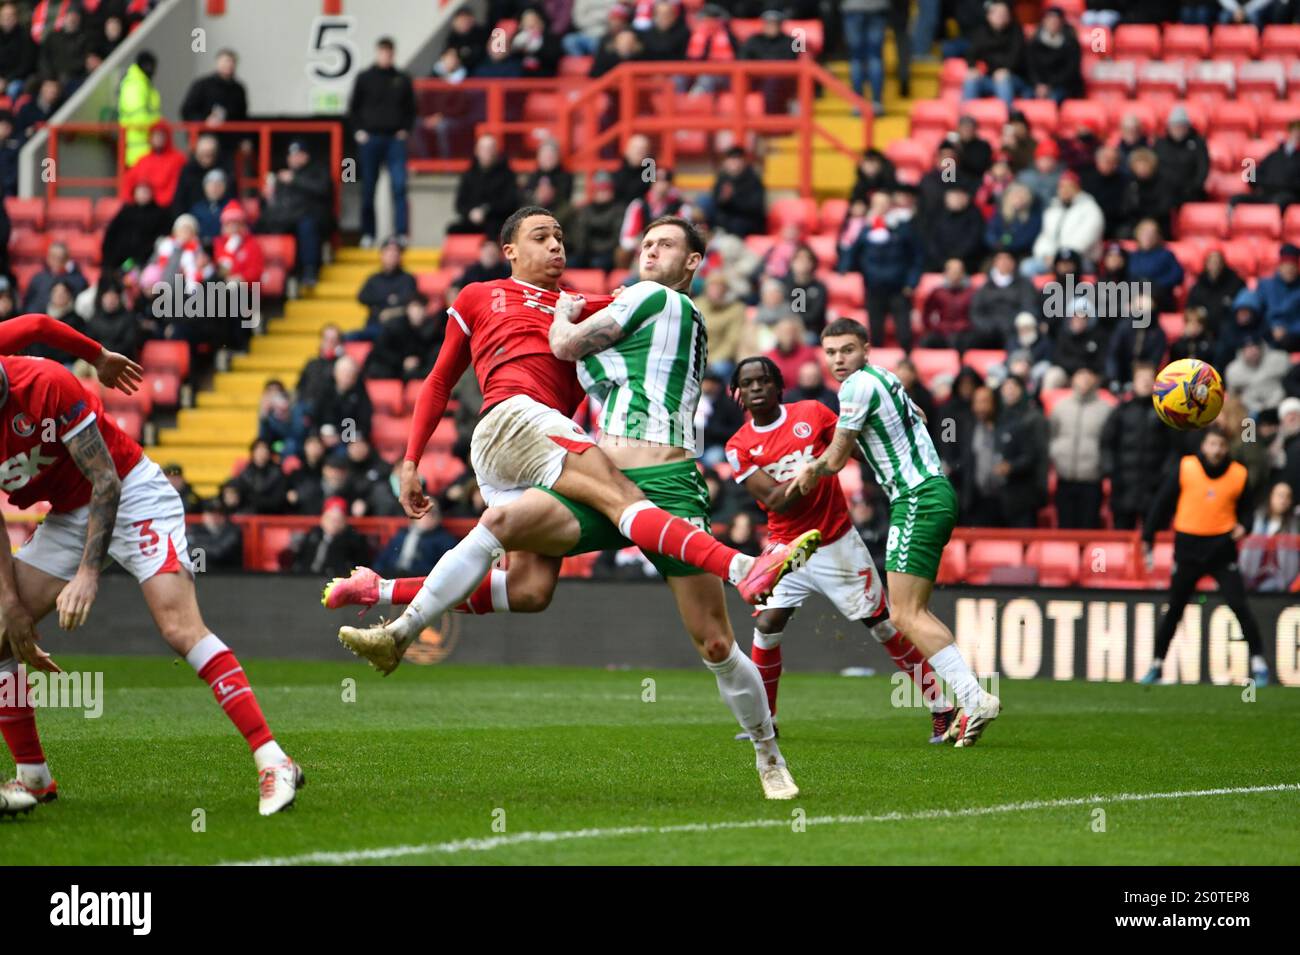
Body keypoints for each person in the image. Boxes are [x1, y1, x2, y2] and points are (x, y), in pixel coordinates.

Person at [330, 214, 818, 799]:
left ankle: (768, 756)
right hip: (590, 470)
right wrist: (411, 457)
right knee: (516, 555)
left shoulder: (647, 300)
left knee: (714, 642)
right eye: (646, 242)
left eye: (666, 244)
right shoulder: (530, 299)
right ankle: (391, 608)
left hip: (663, 479)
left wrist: (567, 312)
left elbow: (568, 336)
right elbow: (443, 376)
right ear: (509, 249)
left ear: (692, 263)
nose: (650, 250)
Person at [0, 321, 301, 818]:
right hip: (69, 513)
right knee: (0, 634)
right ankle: (33, 778)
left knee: (179, 627)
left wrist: (89, 574)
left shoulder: (47, 383)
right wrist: (12, 605)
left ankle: (274, 759)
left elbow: (105, 481)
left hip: (131, 492)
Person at [785, 318, 999, 745]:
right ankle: (971, 699)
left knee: (903, 615)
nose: (838, 360)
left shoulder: (856, 386)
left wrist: (812, 468)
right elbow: (910, 416)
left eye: (846, 350)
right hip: (931, 493)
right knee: (914, 611)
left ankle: (976, 699)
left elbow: (838, 455)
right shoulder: (884, 377)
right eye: (830, 353)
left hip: (916, 497)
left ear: (865, 348)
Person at [725, 356, 956, 741]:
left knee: (883, 625)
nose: (756, 388)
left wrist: (899, 416)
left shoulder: (813, 413)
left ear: (779, 386)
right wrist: (816, 468)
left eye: (763, 380)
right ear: (738, 394)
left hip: (835, 542)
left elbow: (857, 441)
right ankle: (765, 721)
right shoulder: (738, 446)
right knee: (766, 625)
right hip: (787, 548)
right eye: (747, 383)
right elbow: (775, 501)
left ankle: (942, 707)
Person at [1140, 427, 1271, 686]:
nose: (1217, 450)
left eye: (1222, 445)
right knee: (1175, 608)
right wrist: (1148, 536)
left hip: (1221, 549)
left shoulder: (1238, 474)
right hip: (1188, 548)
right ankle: (1156, 663)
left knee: (1239, 605)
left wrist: (1245, 527)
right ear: (1203, 445)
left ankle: (1259, 663)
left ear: (1227, 447)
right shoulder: (1186, 467)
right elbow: (1162, 503)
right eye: (1212, 444)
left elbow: (1248, 512)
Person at [348, 37, 415, 246]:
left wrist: (405, 129)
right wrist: (359, 131)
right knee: (368, 188)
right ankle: (368, 234)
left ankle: (401, 234)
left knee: (399, 187)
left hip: (395, 140)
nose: (386, 56)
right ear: (377, 53)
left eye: (389, 52)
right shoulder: (364, 78)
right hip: (371, 139)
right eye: (383, 52)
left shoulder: (402, 78)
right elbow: (353, 109)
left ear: (393, 54)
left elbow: (411, 109)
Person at [836, 191, 920, 352]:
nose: (880, 208)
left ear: (890, 206)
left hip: (899, 289)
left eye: (884, 204)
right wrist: (843, 267)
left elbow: (917, 257)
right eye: (877, 204)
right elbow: (853, 251)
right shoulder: (866, 229)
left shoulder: (903, 228)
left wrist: (911, 282)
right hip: (874, 289)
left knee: (904, 335)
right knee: (875, 334)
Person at [1100, 362, 1174, 530]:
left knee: (1154, 538)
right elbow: (1107, 442)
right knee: (1122, 538)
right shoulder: (1121, 411)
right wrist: (1110, 470)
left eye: (1150, 379)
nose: (1146, 383)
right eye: (1141, 378)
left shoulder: (1165, 413)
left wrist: (1165, 474)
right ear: (1133, 382)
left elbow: (1174, 447)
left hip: (1154, 488)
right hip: (1124, 487)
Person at [257, 141, 332, 287]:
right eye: (292, 155)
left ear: (306, 156)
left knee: (306, 226)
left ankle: (309, 270)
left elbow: (323, 190)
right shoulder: (281, 177)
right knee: (261, 226)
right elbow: (271, 204)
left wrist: (295, 180)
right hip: (285, 218)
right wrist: (266, 197)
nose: (295, 158)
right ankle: (273, 275)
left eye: (299, 155)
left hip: (313, 219)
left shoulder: (317, 171)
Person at [447, 134, 519, 239]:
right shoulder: (468, 175)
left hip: (497, 222)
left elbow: (510, 203)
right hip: (472, 221)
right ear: (477, 151)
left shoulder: (507, 175)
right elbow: (460, 204)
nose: (487, 152)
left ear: (496, 151)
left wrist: (486, 211)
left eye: (490, 148)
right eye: (483, 148)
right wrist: (471, 213)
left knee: (496, 231)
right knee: (453, 230)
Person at [1239, 481, 1300, 593]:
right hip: (1251, 573)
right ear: (1271, 496)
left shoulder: (1295, 524)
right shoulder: (1255, 519)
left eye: (1288, 497)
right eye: (1280, 495)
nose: (1283, 500)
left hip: (1279, 578)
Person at [292, 497, 371, 576]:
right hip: (306, 579)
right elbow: (299, 561)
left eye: (338, 520)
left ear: (344, 521)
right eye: (330, 519)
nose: (334, 524)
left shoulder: (353, 540)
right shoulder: (312, 535)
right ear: (323, 518)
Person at [102, 181, 171, 273]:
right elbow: (111, 234)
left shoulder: (159, 214)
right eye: (140, 192)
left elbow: (161, 238)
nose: (142, 195)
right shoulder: (126, 211)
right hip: (121, 259)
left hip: (144, 260)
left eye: (146, 192)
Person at [373, 506, 458, 578]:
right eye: (421, 512)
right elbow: (382, 560)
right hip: (392, 576)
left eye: (431, 513)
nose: (426, 517)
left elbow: (445, 570)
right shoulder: (401, 534)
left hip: (419, 579)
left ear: (438, 517)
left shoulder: (444, 539)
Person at [179, 48, 248, 131]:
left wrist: (244, 138)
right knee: (209, 143)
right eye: (226, 61)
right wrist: (205, 121)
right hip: (205, 132)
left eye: (232, 62)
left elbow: (242, 117)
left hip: (231, 134)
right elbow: (187, 111)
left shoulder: (238, 89)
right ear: (217, 62)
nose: (229, 65)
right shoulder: (202, 84)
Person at [118, 50, 160, 167]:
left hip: (145, 148)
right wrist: (158, 126)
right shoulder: (135, 84)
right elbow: (138, 118)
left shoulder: (143, 84)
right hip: (137, 151)